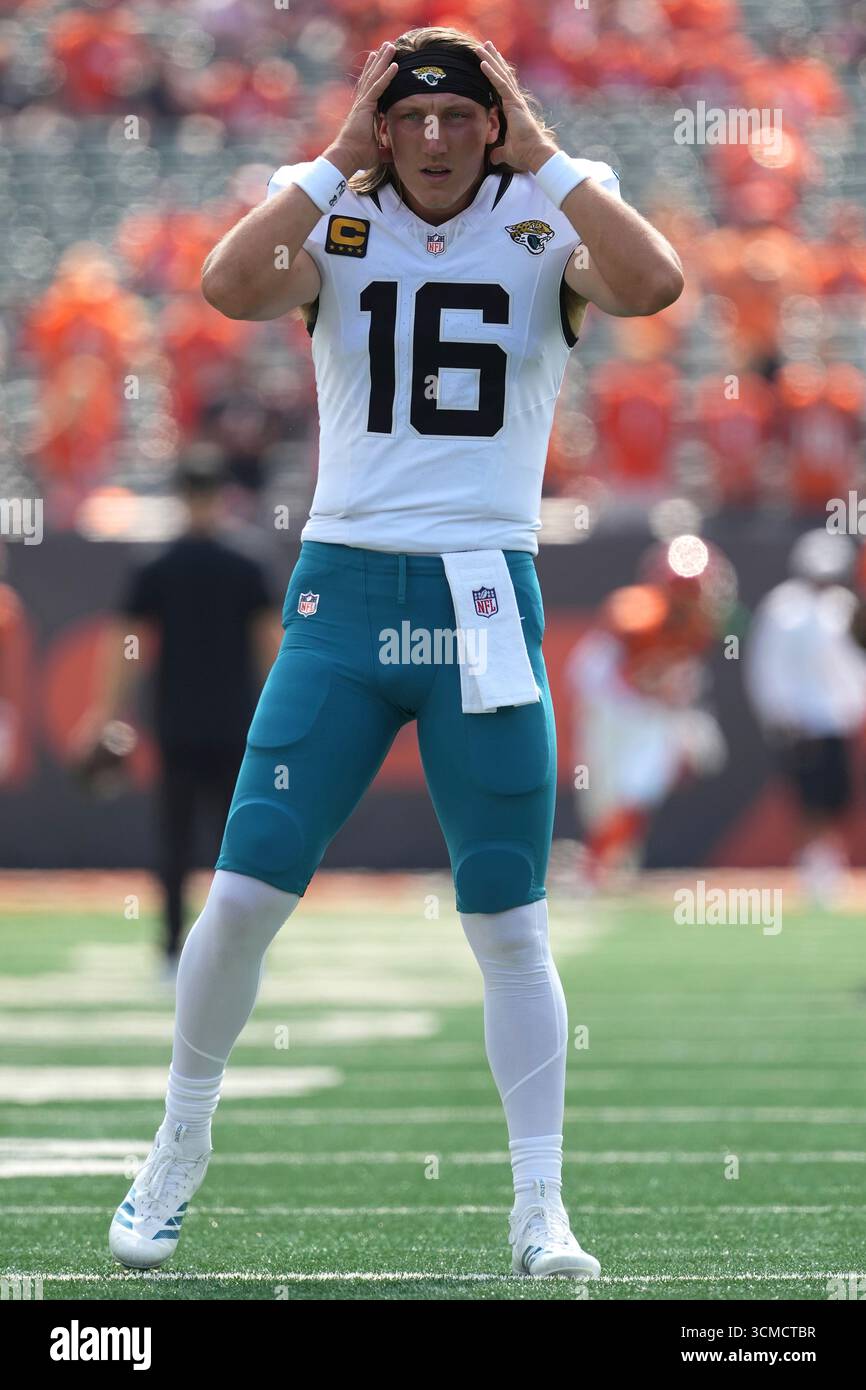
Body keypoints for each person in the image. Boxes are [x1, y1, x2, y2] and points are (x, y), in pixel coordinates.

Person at [109, 26, 683, 1279]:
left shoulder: (549, 208)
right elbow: (225, 285)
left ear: (493, 123)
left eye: (457, 116)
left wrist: (541, 147)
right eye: (409, 116)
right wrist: (330, 155)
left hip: (484, 590)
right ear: (379, 124)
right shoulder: (332, 207)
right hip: (347, 593)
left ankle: (539, 1204)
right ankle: (177, 1143)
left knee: (510, 922)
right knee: (245, 891)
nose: (432, 138)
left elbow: (652, 285)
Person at [79, 445, 281, 970]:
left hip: (193, 721)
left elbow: (125, 645)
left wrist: (107, 713)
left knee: (194, 841)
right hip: (218, 722)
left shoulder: (163, 563)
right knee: (221, 843)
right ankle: (207, 947)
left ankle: (186, 948)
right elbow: (270, 646)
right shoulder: (242, 562)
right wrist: (107, 712)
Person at [745, 529, 866, 904]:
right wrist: (778, 712)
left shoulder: (843, 606)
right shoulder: (783, 608)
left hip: (837, 719)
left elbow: (853, 662)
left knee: (837, 797)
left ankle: (825, 859)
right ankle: (814, 865)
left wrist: (856, 705)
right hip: (802, 721)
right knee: (808, 796)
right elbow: (767, 665)